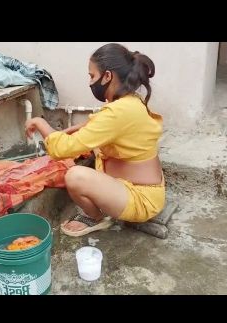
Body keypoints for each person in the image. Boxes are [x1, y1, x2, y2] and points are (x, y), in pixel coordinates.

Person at [25, 43, 165, 237]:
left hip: (141, 197)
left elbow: (61, 149)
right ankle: (110, 204)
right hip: (137, 186)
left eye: (92, 76)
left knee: (74, 176)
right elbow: (93, 126)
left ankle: (96, 218)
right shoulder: (129, 102)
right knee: (94, 148)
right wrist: (66, 131)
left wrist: (40, 123)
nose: (90, 82)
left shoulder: (119, 112)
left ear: (108, 76)